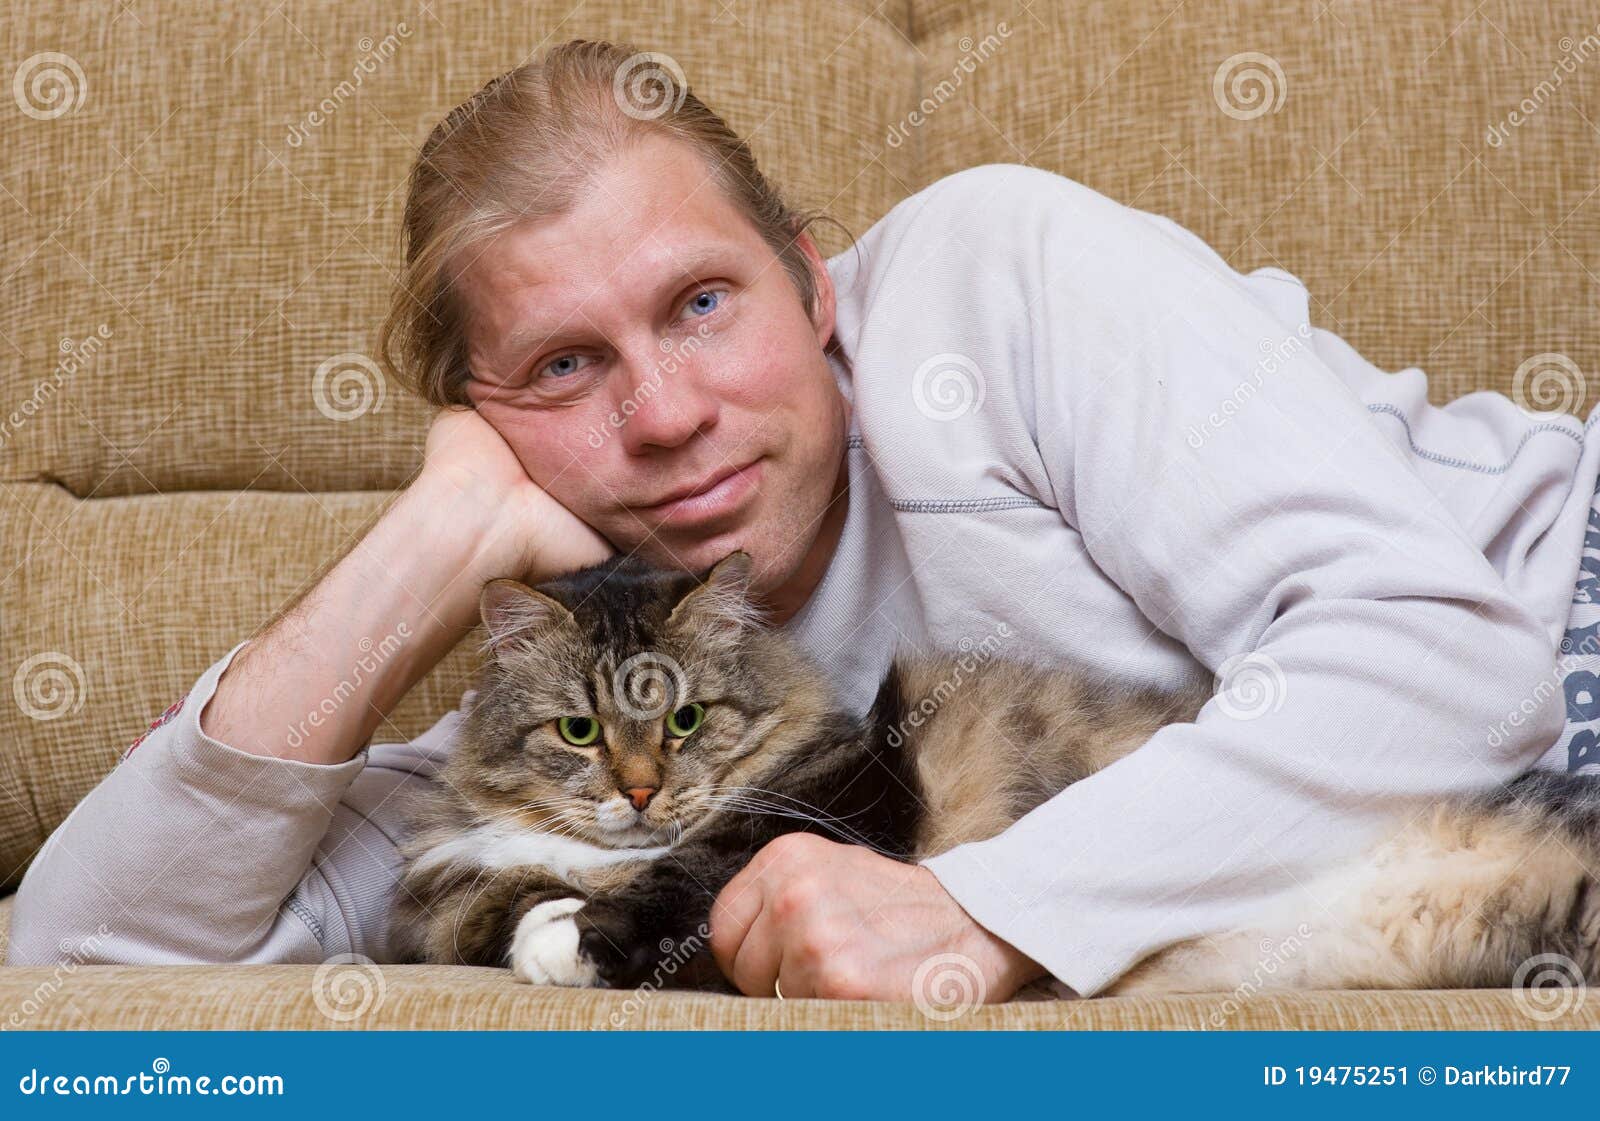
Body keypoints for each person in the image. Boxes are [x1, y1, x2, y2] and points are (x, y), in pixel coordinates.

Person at [7, 40, 1594, 1004]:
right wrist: (425, 548)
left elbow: (1450, 657)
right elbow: (75, 965)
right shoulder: (574, 715)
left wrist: (981, 903)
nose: (666, 412)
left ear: (815, 281)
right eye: (565, 365)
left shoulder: (998, 269)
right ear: (486, 423)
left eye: (702, 303)